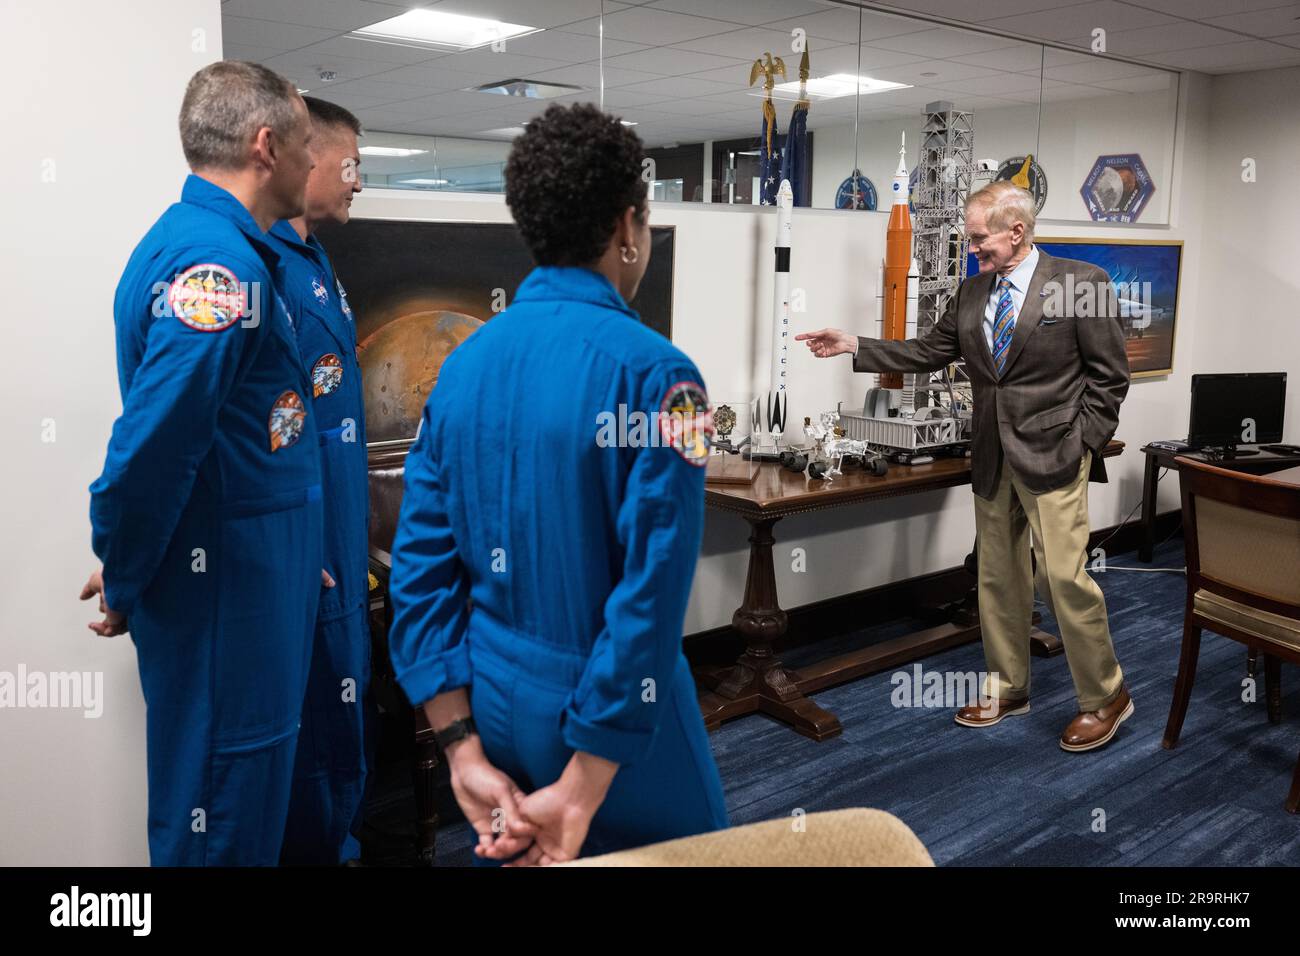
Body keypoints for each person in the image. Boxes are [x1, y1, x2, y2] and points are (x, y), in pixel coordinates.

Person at [386, 102, 728, 865]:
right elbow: (653, 590)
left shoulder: (462, 365)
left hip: (493, 701)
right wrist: (585, 781)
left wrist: (460, 749)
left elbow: (419, 567)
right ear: (626, 227)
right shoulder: (666, 379)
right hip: (608, 709)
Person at [82, 61, 322, 864]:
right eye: (306, 144)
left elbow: (230, 444)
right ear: (265, 146)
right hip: (227, 603)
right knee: (220, 819)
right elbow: (151, 450)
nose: (314, 163)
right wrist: (126, 567)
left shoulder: (211, 247)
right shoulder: (220, 272)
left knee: (237, 809)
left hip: (247, 578)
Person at [797, 181, 1133, 752]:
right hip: (990, 456)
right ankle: (1009, 686)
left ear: (1016, 231)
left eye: (979, 240)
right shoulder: (973, 291)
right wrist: (855, 343)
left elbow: (1109, 377)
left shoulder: (1081, 285)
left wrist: (1085, 442)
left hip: (1055, 455)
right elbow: (930, 351)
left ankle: (1106, 697)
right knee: (998, 577)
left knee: (1061, 578)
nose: (972, 250)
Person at [265, 96, 372, 866]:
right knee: (312, 720)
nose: (359, 182)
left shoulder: (314, 258)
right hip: (308, 541)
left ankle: (340, 839)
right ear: (309, 157)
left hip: (339, 526)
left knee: (345, 701)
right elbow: (266, 426)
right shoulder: (260, 263)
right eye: (352, 165)